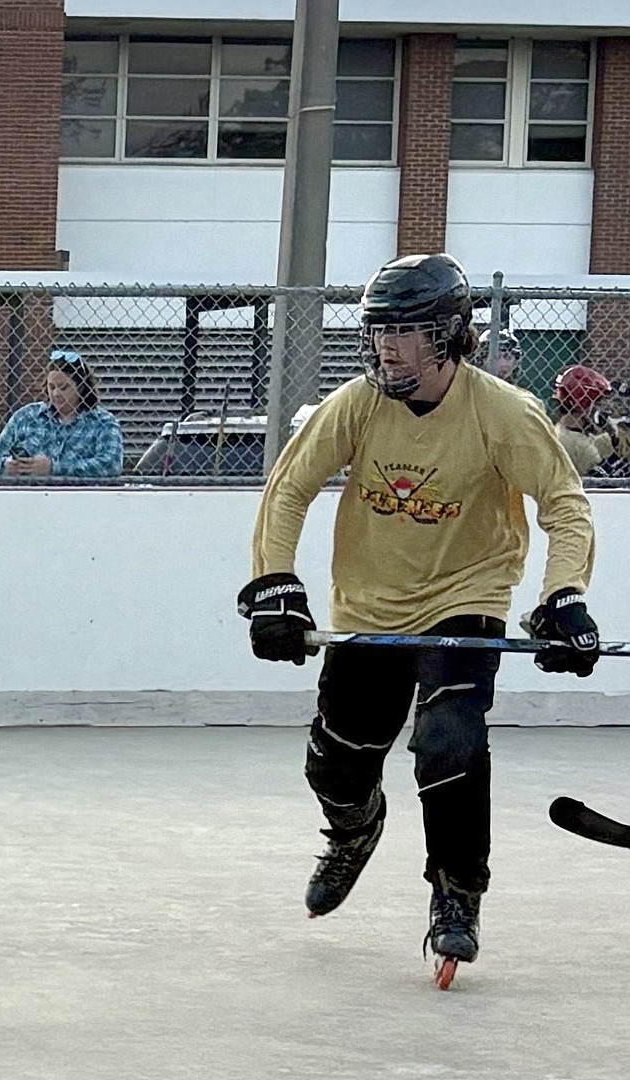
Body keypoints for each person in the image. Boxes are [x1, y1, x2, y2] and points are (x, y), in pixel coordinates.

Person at [238, 253, 597, 990]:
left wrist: (564, 596)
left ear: (451, 335)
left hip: (466, 597)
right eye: (378, 332)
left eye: (405, 332)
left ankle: (456, 890)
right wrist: (273, 584)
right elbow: (288, 490)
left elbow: (564, 504)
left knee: (449, 743)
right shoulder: (356, 405)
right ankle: (354, 827)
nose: (387, 348)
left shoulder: (503, 412)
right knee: (335, 761)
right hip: (369, 607)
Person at [0, 349, 124, 477]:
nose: (56, 393)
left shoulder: (103, 423)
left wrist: (54, 468)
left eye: (64, 387)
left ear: (81, 387)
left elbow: (111, 465)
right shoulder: (25, 417)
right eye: (52, 387)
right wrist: (6, 466)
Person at [551, 364, 616, 476]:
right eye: (597, 402)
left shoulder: (560, 431)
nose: (601, 408)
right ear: (584, 402)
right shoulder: (577, 444)